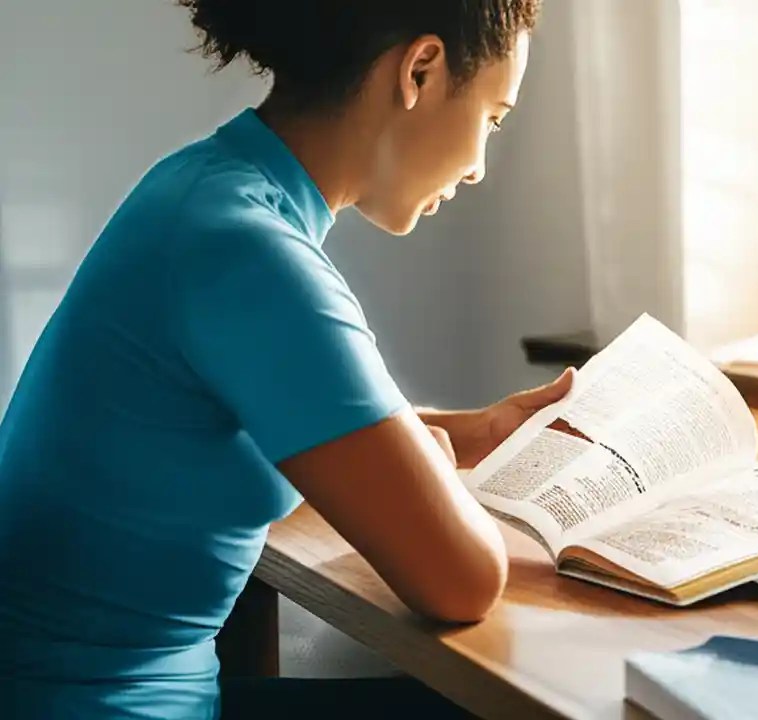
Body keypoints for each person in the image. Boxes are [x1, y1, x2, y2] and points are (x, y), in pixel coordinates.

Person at [0, 1, 560, 717]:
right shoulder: (250, 253)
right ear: (419, 70)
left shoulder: (204, 186)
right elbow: (463, 580)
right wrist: (459, 477)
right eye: (494, 117)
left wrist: (466, 431)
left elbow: (260, 417)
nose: (481, 166)